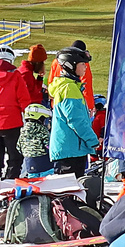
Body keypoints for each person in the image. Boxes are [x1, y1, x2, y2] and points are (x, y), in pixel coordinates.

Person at [0, 46, 43, 206]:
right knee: (15, 160)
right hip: (11, 122)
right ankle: (7, 193)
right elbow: (24, 99)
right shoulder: (15, 76)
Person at [47, 43, 99, 176]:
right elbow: (76, 120)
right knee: (70, 192)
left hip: (71, 148)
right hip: (70, 149)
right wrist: (93, 140)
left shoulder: (71, 86)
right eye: (82, 64)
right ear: (71, 65)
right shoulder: (69, 88)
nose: (85, 68)